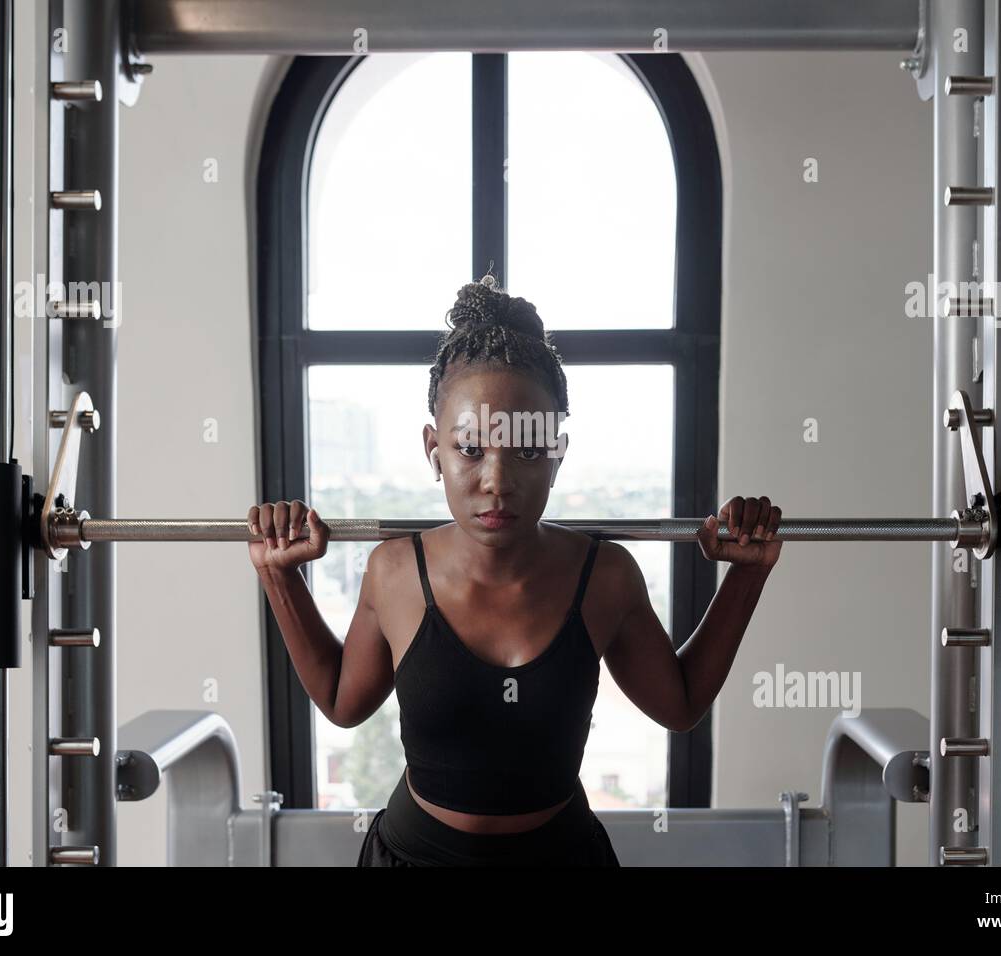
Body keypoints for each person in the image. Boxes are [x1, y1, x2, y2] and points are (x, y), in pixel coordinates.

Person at [248, 275, 783, 866]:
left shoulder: (606, 575)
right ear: (434, 451)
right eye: (470, 449)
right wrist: (279, 575)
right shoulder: (395, 571)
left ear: (557, 453)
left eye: (527, 451)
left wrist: (747, 574)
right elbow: (341, 703)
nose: (496, 482)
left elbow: (679, 707)